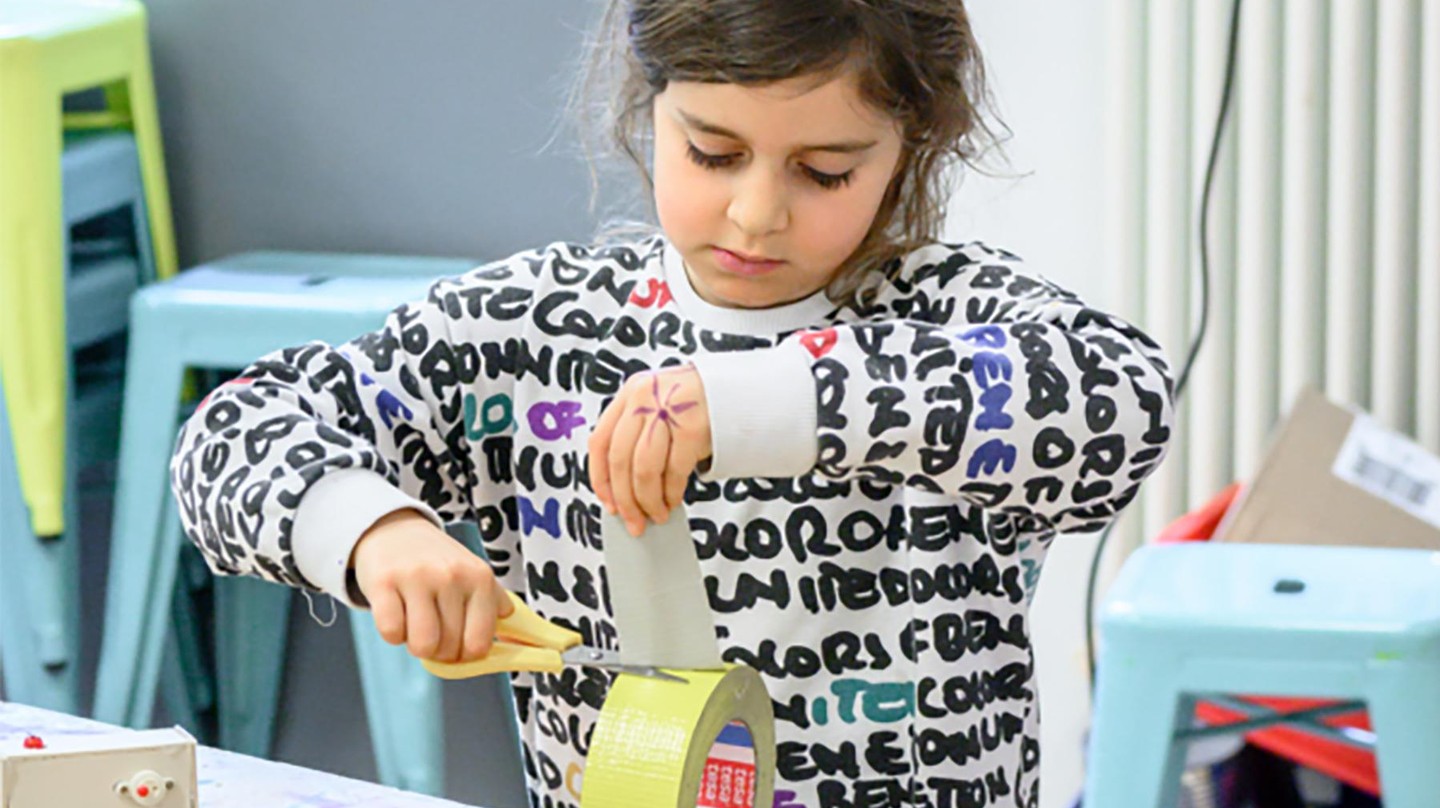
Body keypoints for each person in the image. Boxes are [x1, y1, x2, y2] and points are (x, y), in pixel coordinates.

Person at [170, 1, 1174, 805]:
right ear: (649, 104)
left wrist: (763, 400)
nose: (757, 212)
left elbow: (1122, 400)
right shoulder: (539, 329)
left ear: (910, 147)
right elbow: (231, 434)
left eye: (827, 170)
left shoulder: (954, 318)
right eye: (713, 152)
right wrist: (373, 529)